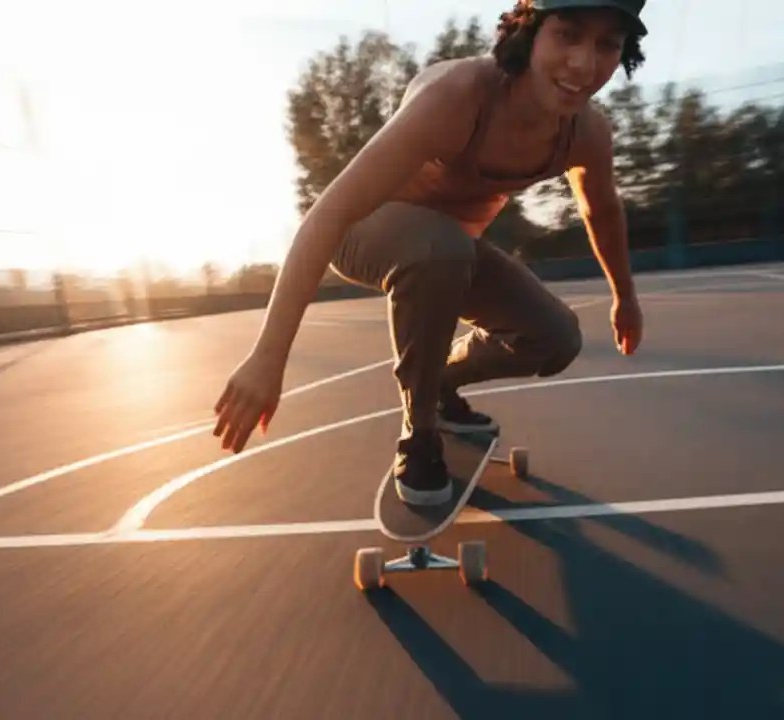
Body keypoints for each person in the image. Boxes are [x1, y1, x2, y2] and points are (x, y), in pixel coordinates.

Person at [214, 0, 647, 505]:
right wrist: (268, 358)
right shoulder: (458, 97)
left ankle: (442, 384)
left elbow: (602, 212)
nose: (583, 64)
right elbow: (328, 215)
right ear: (529, 29)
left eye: (606, 45)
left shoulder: (586, 132)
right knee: (439, 248)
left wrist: (626, 297)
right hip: (361, 230)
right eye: (567, 35)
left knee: (555, 337)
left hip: (448, 247)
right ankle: (418, 432)